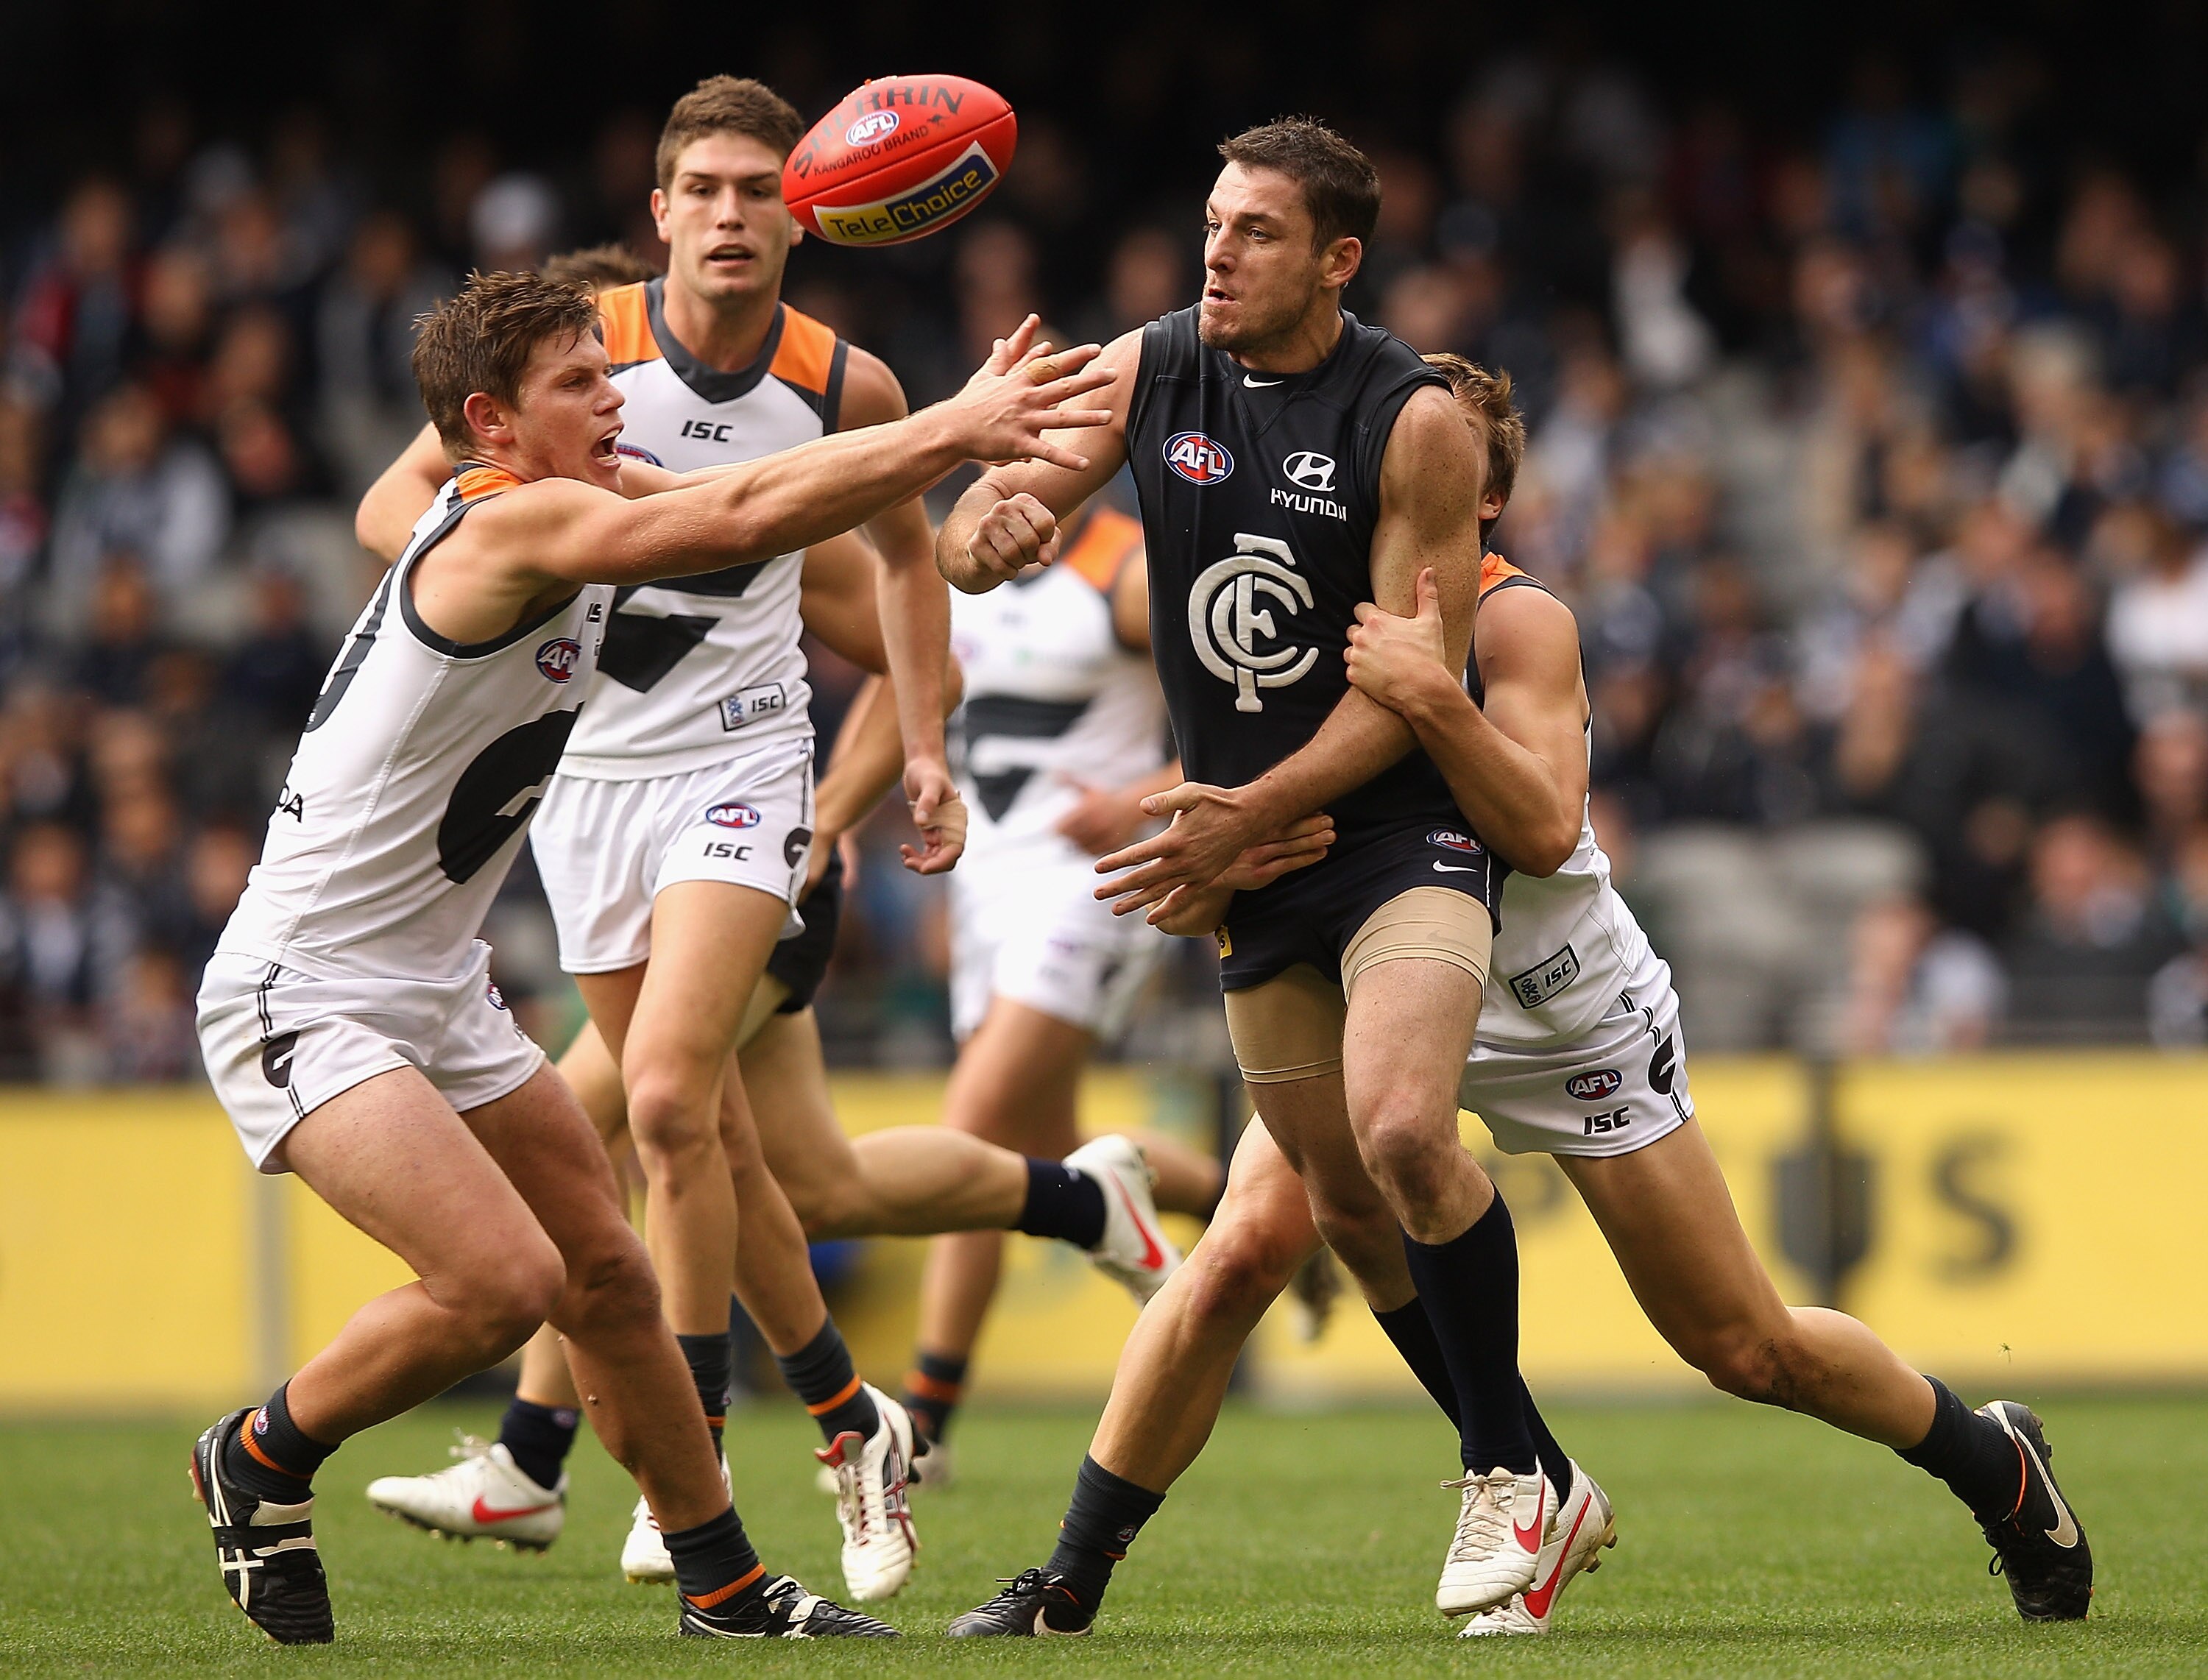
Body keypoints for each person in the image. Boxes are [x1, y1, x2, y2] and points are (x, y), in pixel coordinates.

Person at [946, 354, 2094, 1640]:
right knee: (1234, 1260)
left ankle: (1992, 1466)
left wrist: (1433, 698)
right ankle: (1071, 1582)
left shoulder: (1518, 621)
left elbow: (1546, 829)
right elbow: (1258, 823)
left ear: (1477, 503)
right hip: (1386, 986)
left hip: (1554, 1002)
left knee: (1743, 1346)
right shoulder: (1304, 611)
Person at [187, 267, 1112, 1645]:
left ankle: (727, 1590)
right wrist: (954, 425)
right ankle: (259, 1456)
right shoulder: (509, 526)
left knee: (610, 1272)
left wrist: (970, 552)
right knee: (506, 1286)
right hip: (304, 982)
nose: (617, 398)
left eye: (607, 373)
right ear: (491, 425)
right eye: (578, 383)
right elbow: (736, 505)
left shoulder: (588, 508)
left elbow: (814, 555)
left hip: (435, 988)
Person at [938, 116, 1560, 1620]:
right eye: (1214, 224)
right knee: (1342, 1206)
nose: (1218, 251)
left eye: (1258, 231)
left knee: (1404, 1131)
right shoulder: (1157, 365)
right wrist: (989, 527)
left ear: (1339, 259)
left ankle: (1510, 1476)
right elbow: (978, 529)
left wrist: (1236, 809)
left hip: (1402, 833)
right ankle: (1529, 1458)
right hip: (1249, 852)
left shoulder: (1414, 421)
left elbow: (1406, 683)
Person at [901, 486, 1228, 1476]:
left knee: (974, 1129)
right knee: (1050, 1152)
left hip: (1094, 880)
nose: (1015, 468)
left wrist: (1139, 796)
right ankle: (1248, 1205)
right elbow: (926, 704)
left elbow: (1247, 700)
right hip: (988, 879)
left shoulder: (1130, 571)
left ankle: (922, 1429)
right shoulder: (957, 563)